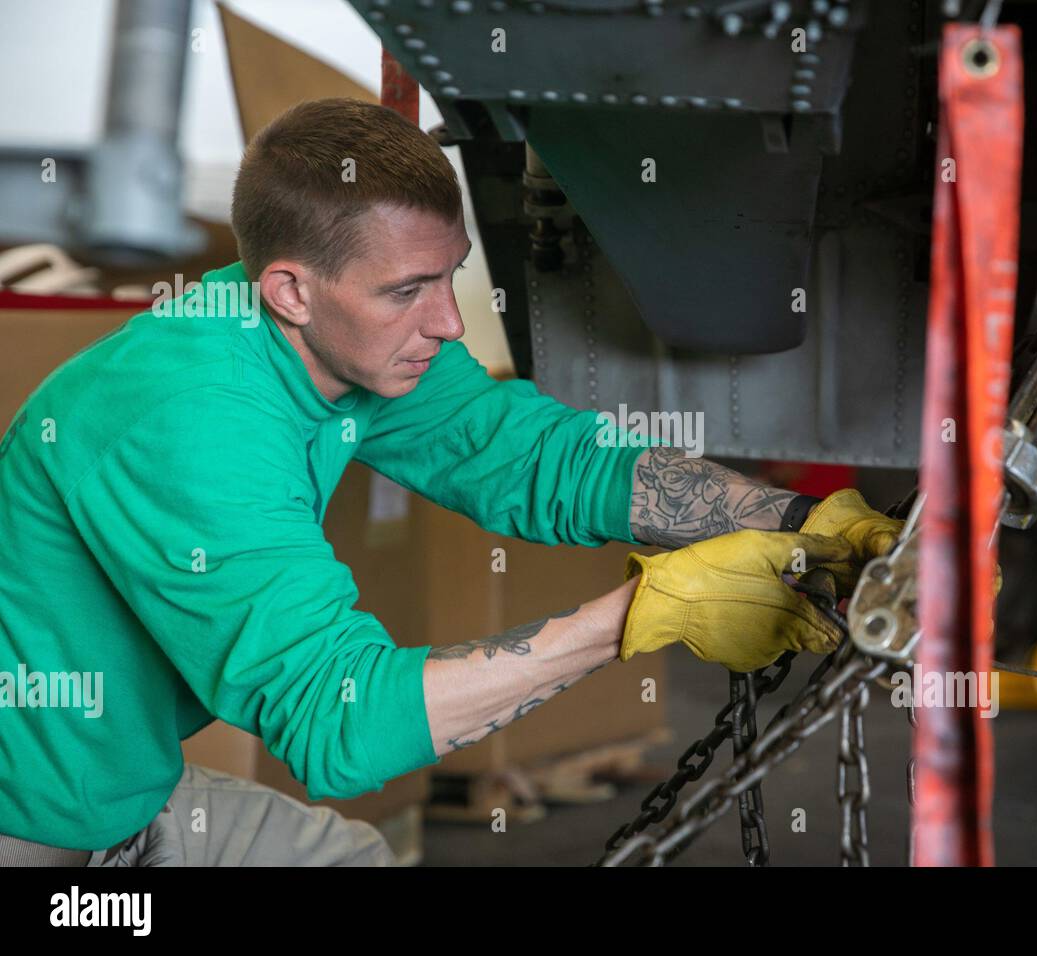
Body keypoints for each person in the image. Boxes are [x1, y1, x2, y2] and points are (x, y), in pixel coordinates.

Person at [0, 98, 901, 866]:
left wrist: (808, 520)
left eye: (450, 278)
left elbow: (533, 456)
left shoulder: (341, 343)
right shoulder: (189, 422)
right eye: (407, 291)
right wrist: (642, 614)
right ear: (290, 291)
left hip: (122, 794)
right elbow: (341, 719)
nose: (447, 322)